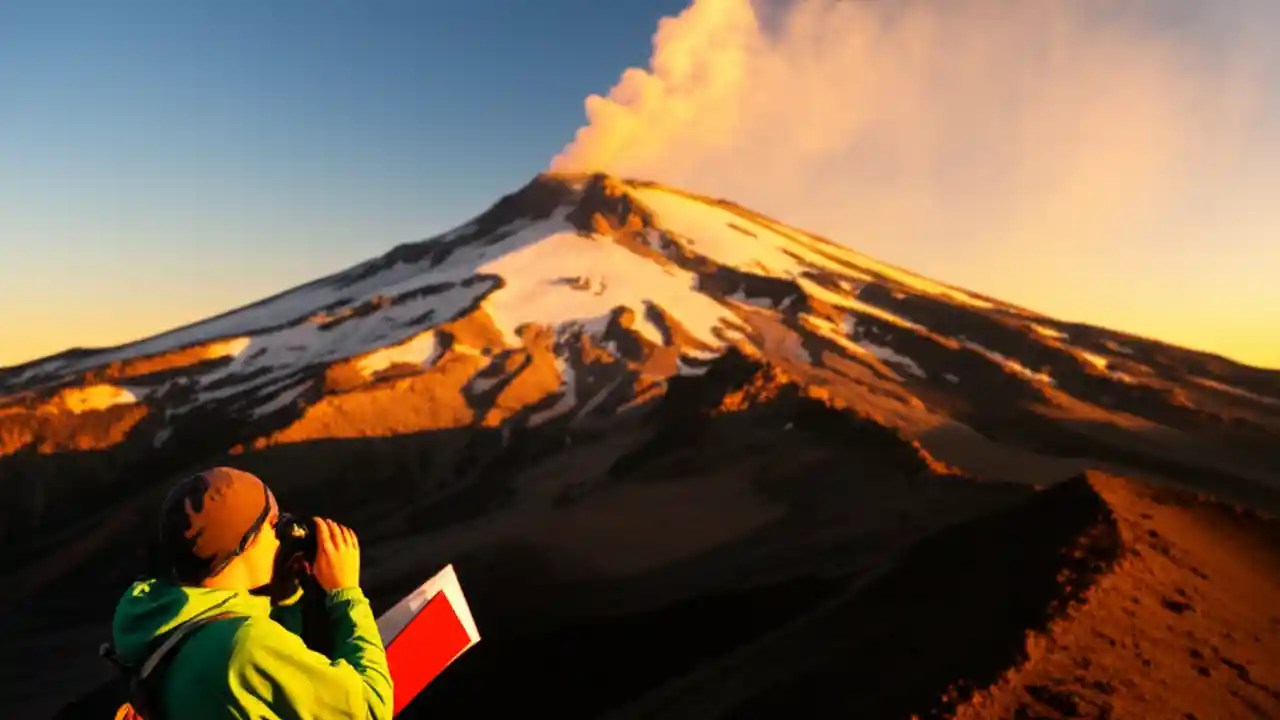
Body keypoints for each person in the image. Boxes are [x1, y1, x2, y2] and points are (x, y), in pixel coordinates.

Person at [109, 466, 393, 719]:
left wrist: (287, 593)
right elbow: (370, 709)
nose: (283, 534)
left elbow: (272, 681)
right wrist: (345, 594)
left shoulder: (168, 624)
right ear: (246, 541)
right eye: (274, 524)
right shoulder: (245, 645)